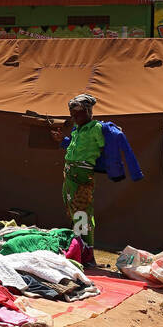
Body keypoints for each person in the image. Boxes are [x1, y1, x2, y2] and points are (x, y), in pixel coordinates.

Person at [52, 93, 104, 258]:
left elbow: (106, 147)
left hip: (82, 175)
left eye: (78, 114)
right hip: (70, 174)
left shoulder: (96, 128)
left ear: (88, 112)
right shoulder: (77, 130)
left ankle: (86, 251)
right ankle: (79, 245)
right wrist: (63, 140)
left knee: (82, 211)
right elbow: (77, 148)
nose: (74, 117)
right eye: (72, 114)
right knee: (74, 210)